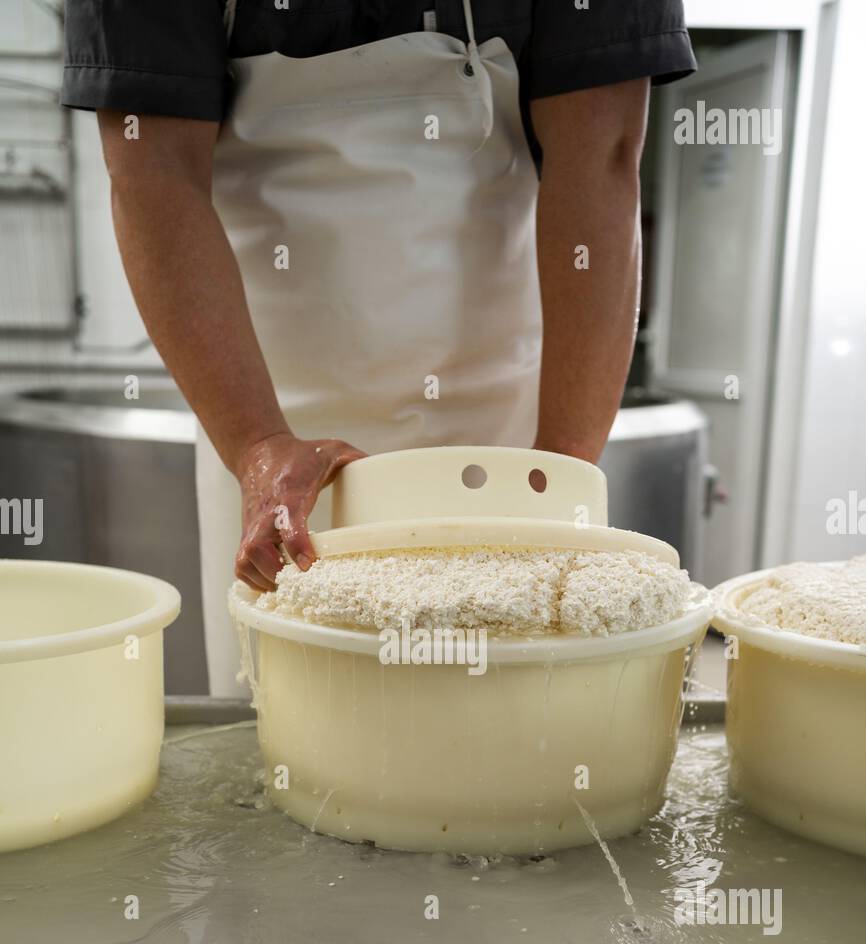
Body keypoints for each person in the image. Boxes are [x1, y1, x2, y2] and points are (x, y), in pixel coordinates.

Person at [62, 1, 695, 694]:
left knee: (504, 720)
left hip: (509, 423)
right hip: (259, 411)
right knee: (291, 726)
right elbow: (154, 172)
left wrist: (564, 465)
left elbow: (599, 155)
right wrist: (256, 445)